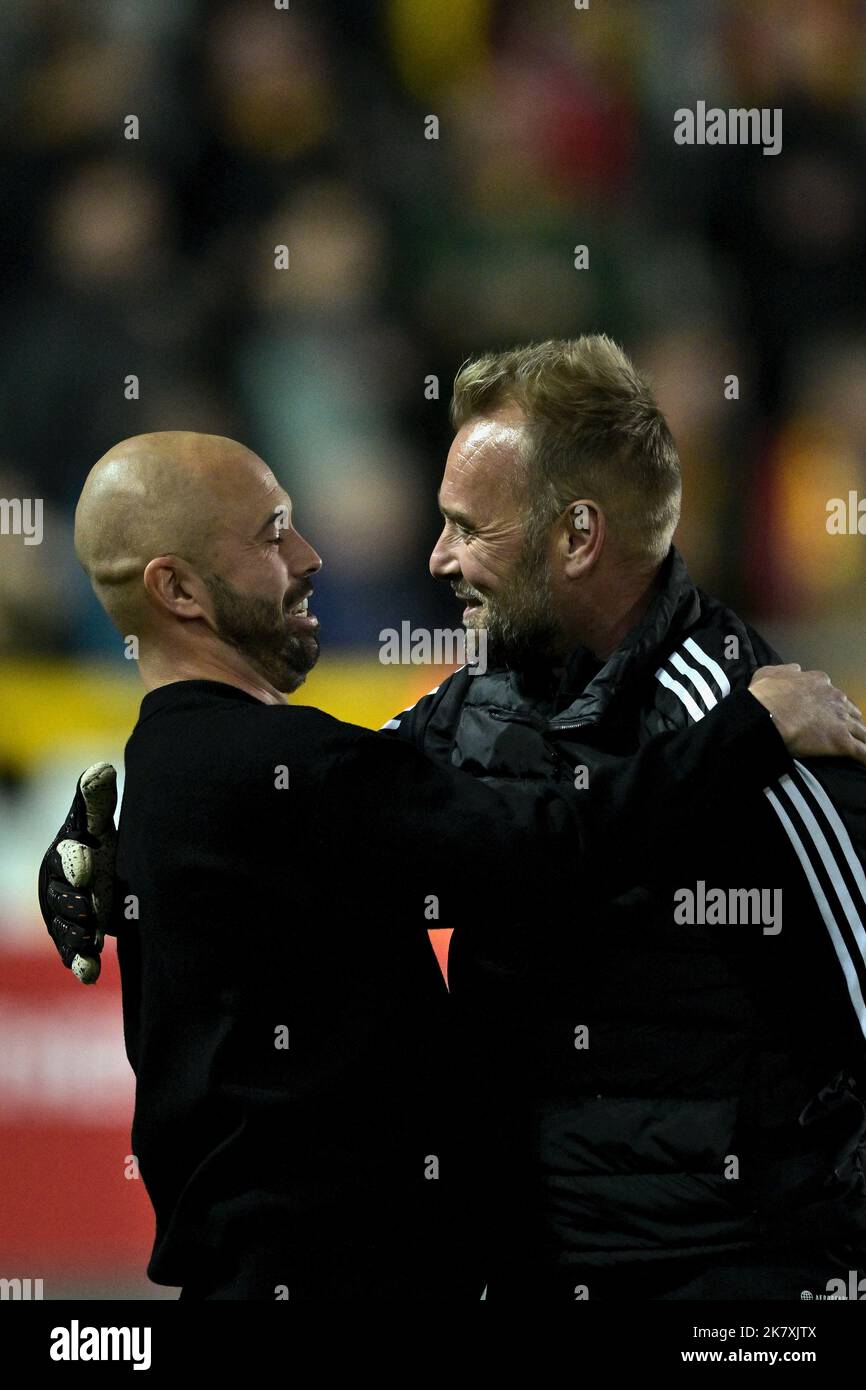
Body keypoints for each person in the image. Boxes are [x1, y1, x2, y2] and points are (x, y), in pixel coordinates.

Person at [39, 413, 863, 1301]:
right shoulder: (277, 771)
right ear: (180, 591)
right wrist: (745, 731)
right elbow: (545, 844)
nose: (314, 555)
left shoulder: (184, 770)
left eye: (469, 527)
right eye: (273, 535)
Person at [378, 335, 866, 1300]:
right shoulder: (467, 708)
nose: (439, 559)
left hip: (721, 1278)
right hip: (521, 1273)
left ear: (578, 536)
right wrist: (119, 848)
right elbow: (302, 814)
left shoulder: (774, 738)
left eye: (468, 527)